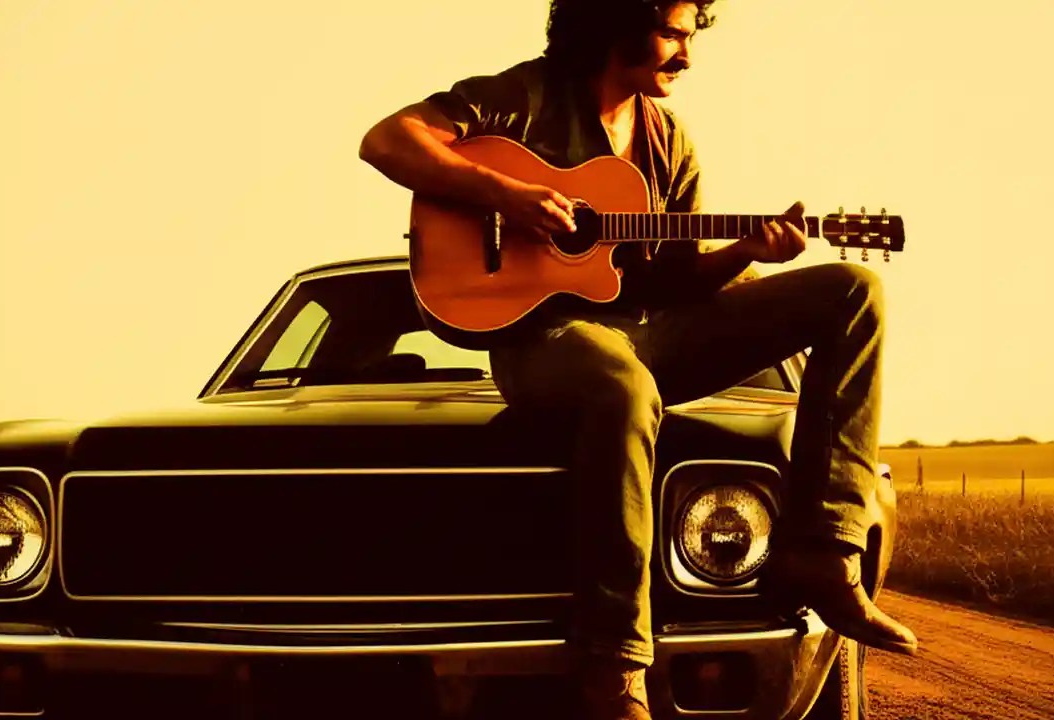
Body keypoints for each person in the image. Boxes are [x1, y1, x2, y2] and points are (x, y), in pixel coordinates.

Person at [358, 1, 917, 717]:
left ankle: (826, 551)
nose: (686, 55)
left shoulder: (667, 141)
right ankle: (615, 662)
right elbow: (387, 141)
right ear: (617, 19)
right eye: (674, 35)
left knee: (854, 290)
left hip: (651, 333)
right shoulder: (521, 98)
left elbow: (676, 280)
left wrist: (743, 253)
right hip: (543, 339)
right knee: (623, 387)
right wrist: (511, 195)